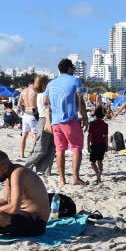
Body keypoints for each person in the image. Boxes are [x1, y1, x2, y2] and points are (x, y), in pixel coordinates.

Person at [43, 58, 88, 186]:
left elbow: (45, 102)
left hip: (55, 122)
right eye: (73, 68)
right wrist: (85, 117)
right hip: (70, 120)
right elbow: (81, 100)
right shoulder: (75, 80)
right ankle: (75, 178)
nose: (74, 70)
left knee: (60, 149)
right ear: (69, 68)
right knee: (76, 148)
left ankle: (62, 179)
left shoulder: (51, 83)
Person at [24, 75, 56, 179]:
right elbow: (47, 109)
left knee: (51, 147)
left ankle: (44, 169)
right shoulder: (43, 94)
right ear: (44, 83)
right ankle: (26, 167)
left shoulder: (42, 94)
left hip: (47, 120)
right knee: (41, 148)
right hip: (45, 120)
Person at [17, 80, 38, 158]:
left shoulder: (23, 91)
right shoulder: (36, 91)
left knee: (24, 135)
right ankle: (35, 154)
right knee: (35, 135)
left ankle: (22, 154)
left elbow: (19, 105)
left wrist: (23, 111)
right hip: (33, 114)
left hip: (25, 115)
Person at [87, 105, 108, 183]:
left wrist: (88, 146)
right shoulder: (105, 124)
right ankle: (100, 177)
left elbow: (89, 135)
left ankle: (97, 173)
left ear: (95, 114)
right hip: (102, 144)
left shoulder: (92, 124)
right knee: (100, 161)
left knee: (93, 162)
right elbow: (106, 136)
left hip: (94, 145)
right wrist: (106, 146)